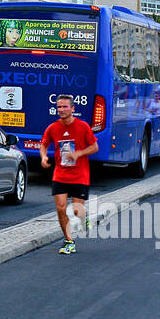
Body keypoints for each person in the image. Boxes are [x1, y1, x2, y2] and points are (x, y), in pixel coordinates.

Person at [40, 95, 100, 256]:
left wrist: (78, 154)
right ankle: (69, 241)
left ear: (73, 109)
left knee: (76, 211)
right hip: (60, 174)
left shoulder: (83, 127)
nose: (61, 110)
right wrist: (44, 157)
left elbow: (95, 147)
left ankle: (84, 217)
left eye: (65, 107)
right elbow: (43, 145)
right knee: (60, 208)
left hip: (80, 175)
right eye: (59, 107)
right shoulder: (52, 128)